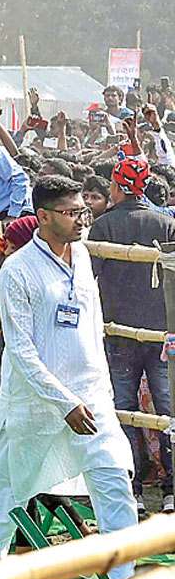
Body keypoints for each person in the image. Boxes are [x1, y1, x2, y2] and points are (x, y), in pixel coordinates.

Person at [0, 175, 138, 579]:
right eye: (71, 213)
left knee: (115, 479)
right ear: (43, 217)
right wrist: (63, 402)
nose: (82, 219)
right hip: (36, 403)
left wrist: (98, 389)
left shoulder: (82, 256)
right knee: (9, 489)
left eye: (84, 211)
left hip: (91, 396)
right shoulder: (18, 270)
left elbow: (90, 326)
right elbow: (21, 349)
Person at [89, 157, 175, 514]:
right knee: (168, 410)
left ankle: (133, 489)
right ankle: (171, 491)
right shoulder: (167, 224)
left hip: (118, 334)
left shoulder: (102, 227)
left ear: (117, 187)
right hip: (162, 336)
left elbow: (88, 280)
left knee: (122, 411)